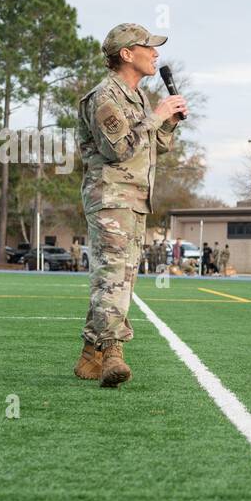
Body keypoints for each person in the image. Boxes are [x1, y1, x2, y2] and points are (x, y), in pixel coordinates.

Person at [74, 22, 185, 388]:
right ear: (126, 54)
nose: (155, 54)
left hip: (134, 200)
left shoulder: (136, 97)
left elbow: (153, 146)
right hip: (110, 199)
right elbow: (118, 148)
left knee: (121, 278)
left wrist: (167, 122)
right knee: (112, 278)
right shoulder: (104, 96)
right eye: (148, 47)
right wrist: (156, 116)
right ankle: (111, 352)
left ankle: (90, 357)